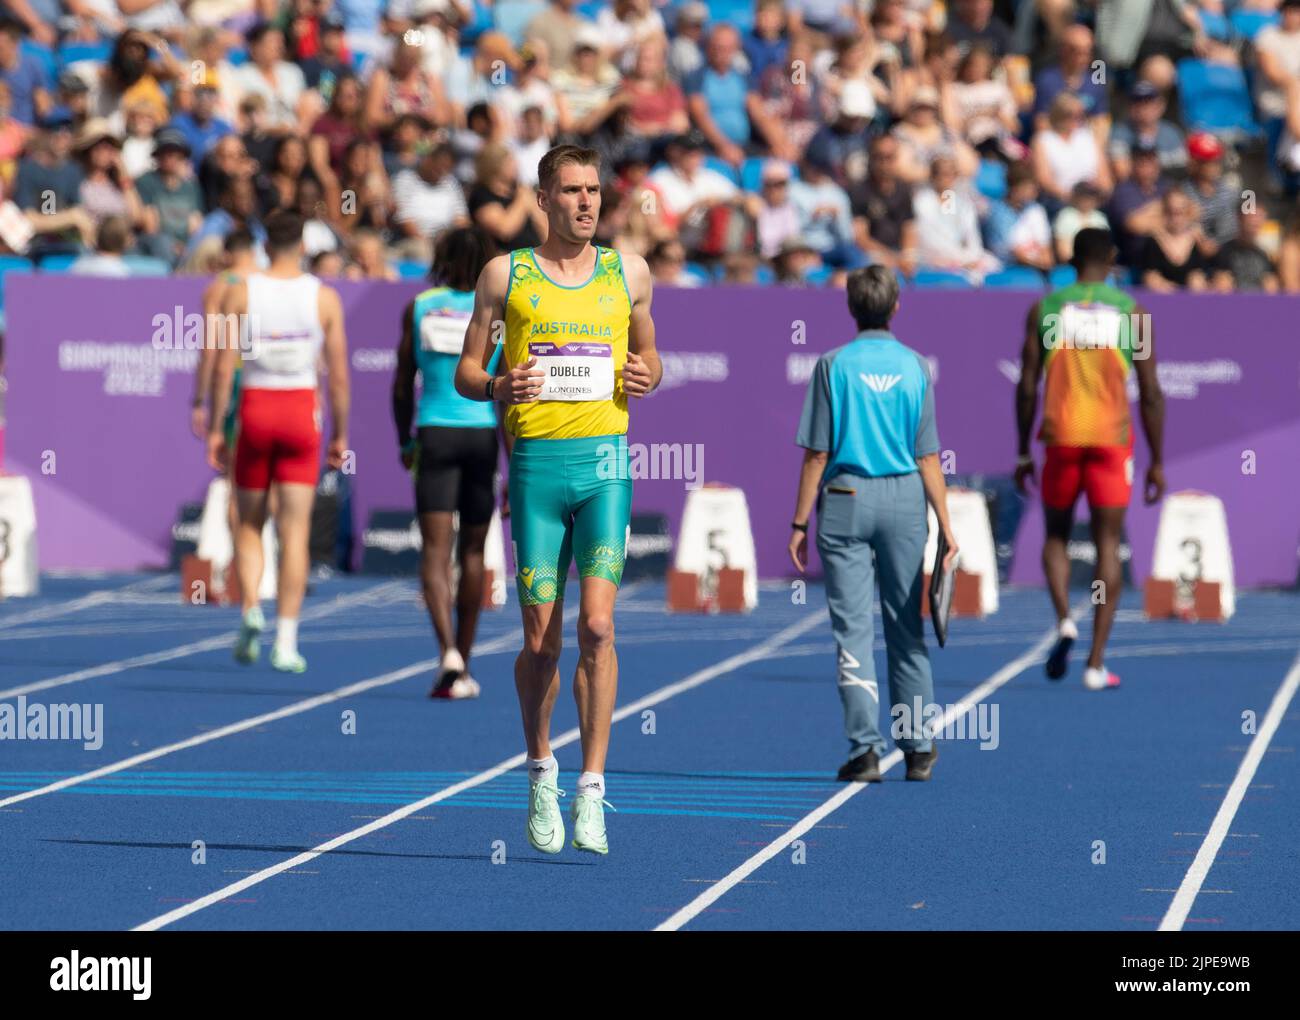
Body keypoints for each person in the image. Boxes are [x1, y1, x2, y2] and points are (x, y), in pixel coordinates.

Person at [454, 144, 661, 856]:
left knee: (598, 629)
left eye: (594, 190)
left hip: (605, 466)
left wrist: (647, 374)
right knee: (541, 642)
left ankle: (593, 788)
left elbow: (653, 358)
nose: (585, 202)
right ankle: (541, 767)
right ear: (542, 199)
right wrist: (495, 387)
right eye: (570, 191)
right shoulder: (502, 276)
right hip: (538, 472)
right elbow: (465, 371)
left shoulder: (627, 271)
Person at [789, 264, 957, 784]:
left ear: (851, 308)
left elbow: (817, 453)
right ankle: (919, 747)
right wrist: (948, 528)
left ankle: (864, 749)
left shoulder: (832, 365)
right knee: (907, 629)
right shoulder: (914, 366)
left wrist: (798, 522)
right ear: (896, 307)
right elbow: (929, 456)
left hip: (845, 497)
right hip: (906, 499)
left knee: (853, 630)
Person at [1015, 227, 1166, 692]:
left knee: (1056, 535)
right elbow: (1151, 391)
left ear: (1070, 259)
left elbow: (1026, 385)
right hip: (1110, 440)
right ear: (1113, 258)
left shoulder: (1046, 309)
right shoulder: (1131, 313)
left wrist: (1023, 448)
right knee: (1107, 545)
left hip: (1061, 437)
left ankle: (1064, 620)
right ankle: (1096, 663)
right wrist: (1157, 459)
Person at [208, 211, 350, 673]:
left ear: (266, 246)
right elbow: (340, 378)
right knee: (295, 534)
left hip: (255, 409)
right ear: (304, 248)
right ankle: (286, 639)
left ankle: (251, 605)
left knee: (248, 524)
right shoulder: (324, 297)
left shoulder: (240, 290)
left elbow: (222, 365)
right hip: (299, 413)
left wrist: (215, 426)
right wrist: (341, 434)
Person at [392, 226, 505, 699]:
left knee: (436, 551)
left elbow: (402, 383)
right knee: (474, 552)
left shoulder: (420, 307)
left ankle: (447, 655)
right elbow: (506, 389)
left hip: (435, 433)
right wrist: (514, 455)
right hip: (482, 435)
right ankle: (465, 655)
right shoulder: (496, 312)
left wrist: (405, 441)